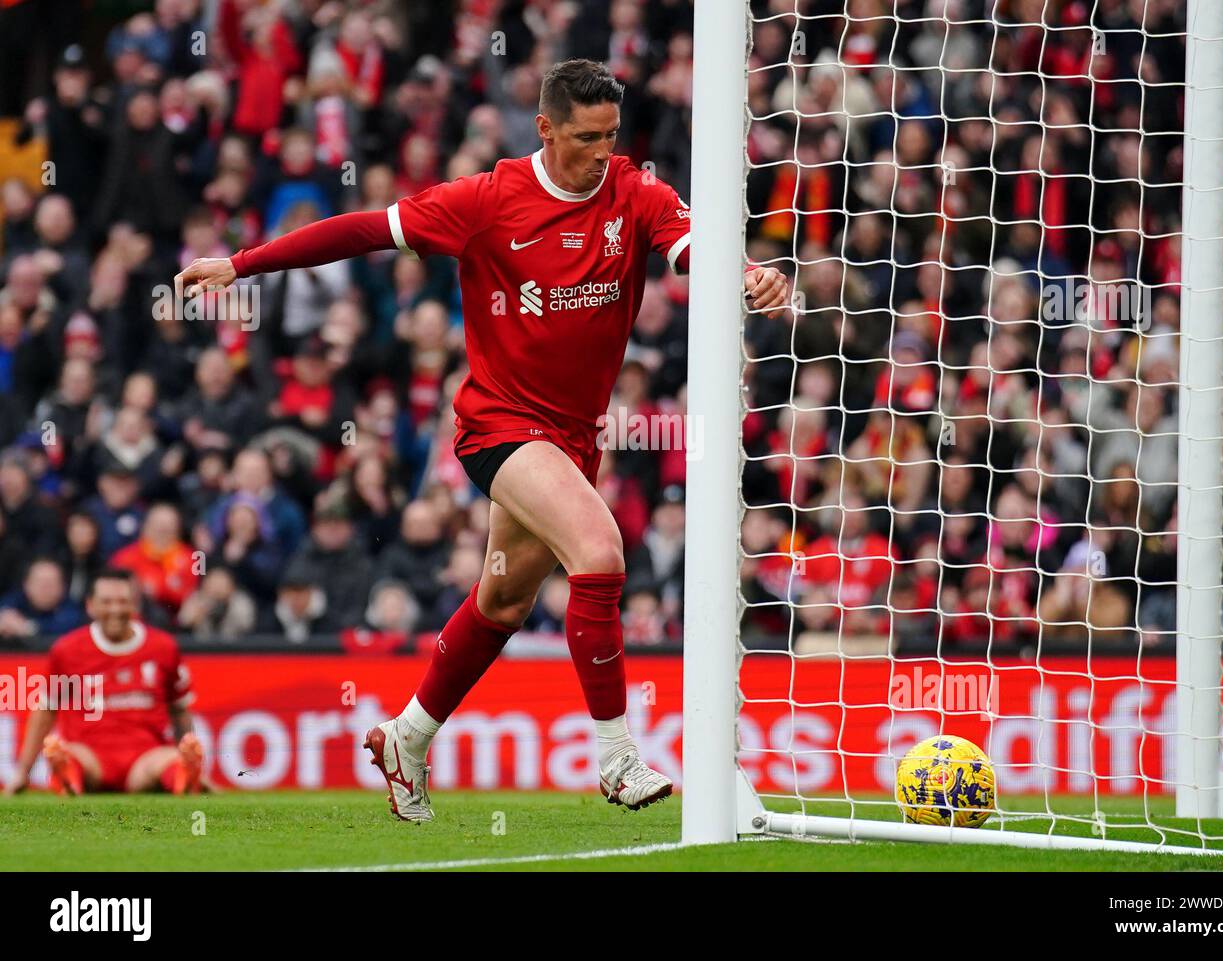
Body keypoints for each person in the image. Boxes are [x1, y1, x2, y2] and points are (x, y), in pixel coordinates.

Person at [176, 58, 790, 821]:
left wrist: (748, 274)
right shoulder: (488, 199)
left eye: (610, 136)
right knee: (599, 554)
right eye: (584, 137)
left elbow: (692, 247)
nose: (601, 152)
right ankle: (617, 758)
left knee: (502, 598)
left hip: (574, 435)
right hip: (499, 425)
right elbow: (365, 229)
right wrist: (242, 263)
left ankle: (406, 735)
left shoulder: (635, 192)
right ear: (544, 128)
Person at [3, 569, 203, 796]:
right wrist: (23, 771)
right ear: (90, 605)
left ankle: (183, 777)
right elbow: (46, 710)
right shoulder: (67, 650)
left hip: (145, 756)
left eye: (122, 602)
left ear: (135, 604)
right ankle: (68, 777)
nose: (115, 610)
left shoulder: (163, 647)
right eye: (106, 602)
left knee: (170, 761)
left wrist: (188, 751)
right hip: (90, 755)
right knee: (69, 755)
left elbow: (179, 710)